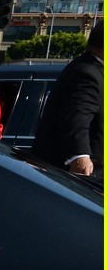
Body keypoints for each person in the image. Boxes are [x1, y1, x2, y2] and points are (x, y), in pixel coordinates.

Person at [32, 22, 103, 178]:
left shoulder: (92, 69)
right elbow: (77, 115)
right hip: (86, 179)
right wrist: (79, 156)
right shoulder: (87, 73)